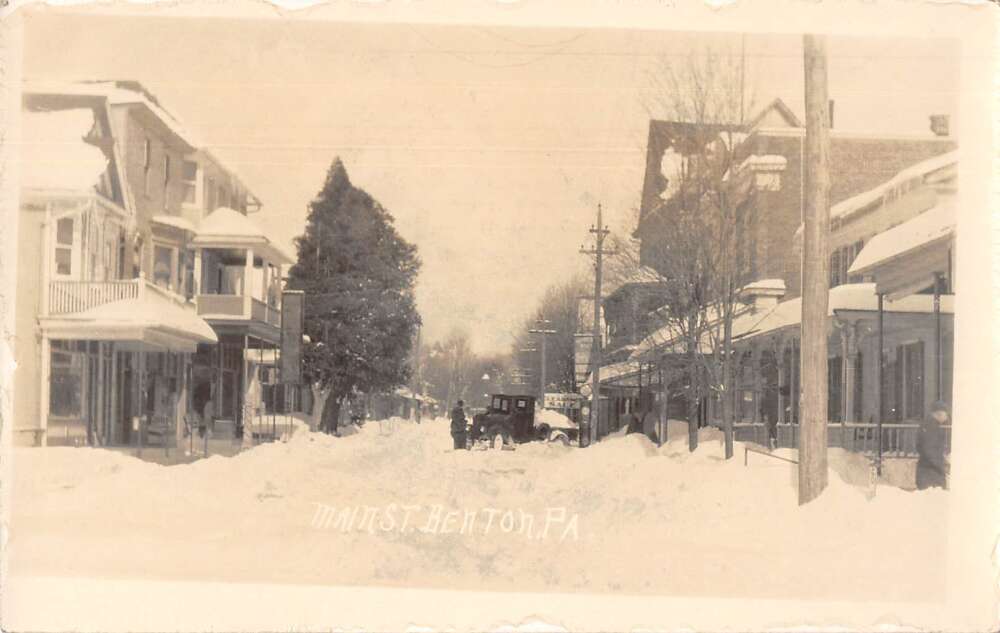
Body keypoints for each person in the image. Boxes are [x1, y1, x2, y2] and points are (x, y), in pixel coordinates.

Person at [916, 400, 949, 490]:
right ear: (939, 414)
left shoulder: (927, 424)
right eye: (946, 414)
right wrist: (940, 466)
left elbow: (919, 447)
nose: (946, 417)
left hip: (925, 472)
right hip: (931, 476)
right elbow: (929, 450)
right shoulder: (932, 426)